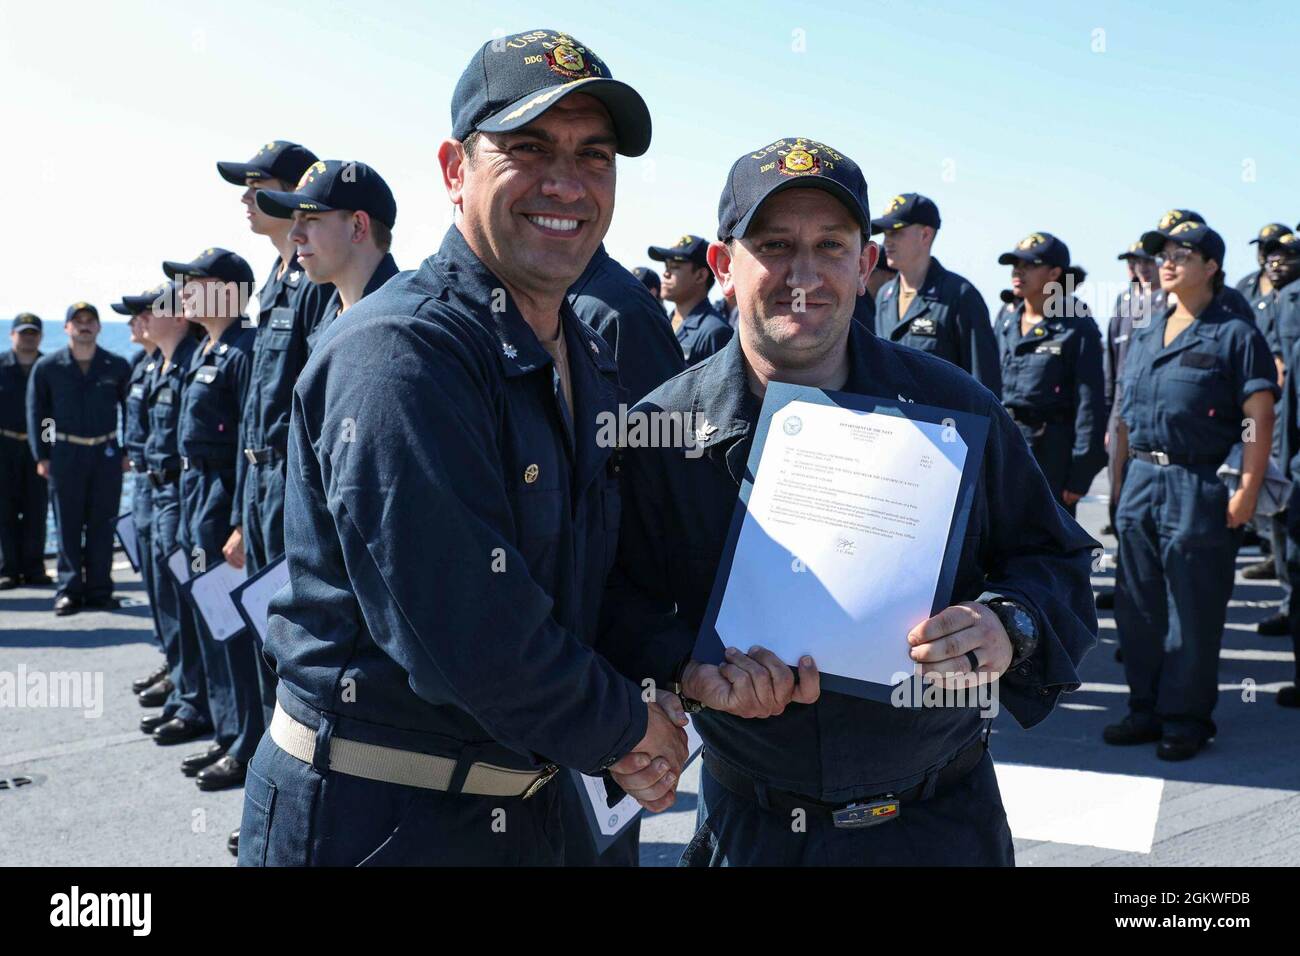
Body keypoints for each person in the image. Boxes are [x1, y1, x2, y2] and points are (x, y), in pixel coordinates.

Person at [239, 28, 689, 867]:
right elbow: (470, 634)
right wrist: (631, 725)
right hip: (385, 822)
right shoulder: (402, 352)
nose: (567, 182)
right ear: (454, 170)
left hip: (536, 802)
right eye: (527, 148)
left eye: (595, 155)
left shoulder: (582, 350)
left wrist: (688, 668)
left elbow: (593, 582)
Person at [600, 136, 1099, 866]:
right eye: (774, 244)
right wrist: (689, 667)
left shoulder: (955, 410)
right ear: (723, 265)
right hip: (755, 832)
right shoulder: (658, 434)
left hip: (940, 827)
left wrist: (1008, 625)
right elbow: (611, 603)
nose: (803, 275)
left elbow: (1055, 560)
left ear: (866, 266)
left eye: (831, 246)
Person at [1106, 221, 1277, 760]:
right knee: (1137, 608)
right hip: (1141, 481)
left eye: (1184, 253)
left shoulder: (1234, 333)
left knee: (1193, 610)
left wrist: (1248, 486)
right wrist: (1118, 487)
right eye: (1163, 253)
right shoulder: (1149, 329)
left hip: (1197, 483)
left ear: (1212, 268)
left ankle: (1186, 718)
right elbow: (1127, 418)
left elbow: (1257, 415)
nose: (1169, 261)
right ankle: (1145, 708)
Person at [214, 139, 334, 722]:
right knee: (265, 631)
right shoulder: (276, 281)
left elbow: (314, 404)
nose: (246, 197)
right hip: (259, 483)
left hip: (291, 485)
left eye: (258, 185)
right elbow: (253, 414)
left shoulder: (316, 282)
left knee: (297, 639)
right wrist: (241, 510)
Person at [163, 249, 261, 794]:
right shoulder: (209, 346)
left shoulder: (243, 351)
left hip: (223, 496)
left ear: (227, 291)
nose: (184, 294)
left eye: (194, 284)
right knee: (210, 622)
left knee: (233, 630)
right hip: (195, 491)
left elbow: (250, 441)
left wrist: (242, 520)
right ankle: (229, 732)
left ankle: (247, 745)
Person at [136, 278, 213, 747]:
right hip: (160, 492)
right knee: (171, 604)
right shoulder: (159, 365)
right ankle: (189, 695)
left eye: (149, 311)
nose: (139, 320)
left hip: (187, 496)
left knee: (197, 611)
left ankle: (202, 706)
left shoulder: (198, 361)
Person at [26, 302, 130, 615]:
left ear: (99, 327)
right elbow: (40, 415)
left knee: (102, 524)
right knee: (67, 524)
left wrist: (126, 451)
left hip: (106, 454)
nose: (84, 326)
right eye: (78, 321)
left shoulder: (116, 365)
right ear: (66, 327)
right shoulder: (48, 367)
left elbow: (133, 411)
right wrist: (43, 455)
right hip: (65, 454)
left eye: (90, 321)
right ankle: (69, 590)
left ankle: (100, 589)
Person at [995, 233, 1107, 517]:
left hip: (1051, 455)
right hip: (1004, 443)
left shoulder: (1078, 327)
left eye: (1029, 265)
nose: (1018, 271)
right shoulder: (1006, 319)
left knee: (1046, 546)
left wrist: (1081, 473)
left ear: (1055, 273)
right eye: (1015, 264)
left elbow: (1089, 404)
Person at [253, 159, 402, 350]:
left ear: (358, 226)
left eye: (311, 218)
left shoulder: (400, 327)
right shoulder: (326, 324)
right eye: (294, 220)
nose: (294, 235)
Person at [872, 193, 1001, 395]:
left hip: (944, 423)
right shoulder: (884, 296)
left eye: (896, 232)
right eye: (885, 233)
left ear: (925, 234)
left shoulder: (960, 295)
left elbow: (984, 380)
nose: (886, 241)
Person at [1096, 242, 1161, 611]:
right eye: (1134, 261)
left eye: (1146, 260)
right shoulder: (1125, 302)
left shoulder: (1168, 302)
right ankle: (1127, 586)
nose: (1139, 267)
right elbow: (1111, 363)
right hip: (1120, 414)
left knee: (1145, 511)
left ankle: (1147, 595)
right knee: (1120, 504)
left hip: (1150, 416)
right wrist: (1110, 415)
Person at [111, 295, 168, 695]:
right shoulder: (142, 366)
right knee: (157, 588)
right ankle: (174, 664)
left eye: (142, 315)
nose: (134, 324)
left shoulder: (179, 364)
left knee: (177, 592)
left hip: (171, 488)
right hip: (146, 486)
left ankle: (190, 685)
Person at [1248, 231, 1300, 634]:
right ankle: (1288, 598)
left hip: (1286, 416)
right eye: (1269, 255)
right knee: (1283, 515)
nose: (1274, 262)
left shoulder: (1292, 296)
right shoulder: (1272, 296)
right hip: (1280, 415)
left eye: (1285, 255)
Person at [569, 245, 685, 405]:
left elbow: (656, 425)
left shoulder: (625, 310)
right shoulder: (554, 294)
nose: (667, 273)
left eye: (676, 267)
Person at [0, 313, 50, 589]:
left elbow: (51, 415)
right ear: (12, 335)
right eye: (23, 332)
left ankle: (34, 568)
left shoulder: (49, 367)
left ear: (40, 336)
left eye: (33, 332)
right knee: (4, 511)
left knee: (36, 510)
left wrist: (46, 448)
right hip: (3, 447)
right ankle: (6, 570)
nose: (28, 337)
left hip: (36, 450)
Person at [649, 234, 732, 364]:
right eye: (667, 267)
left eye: (675, 267)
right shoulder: (661, 323)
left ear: (700, 275)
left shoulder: (715, 332)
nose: (666, 274)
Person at [1237, 222, 1293, 314]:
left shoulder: (1295, 284)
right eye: (1260, 246)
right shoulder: (1245, 284)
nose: (1262, 252)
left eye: (1270, 248)